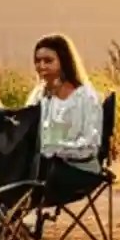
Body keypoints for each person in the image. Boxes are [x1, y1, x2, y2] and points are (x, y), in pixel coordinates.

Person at [26, 34, 104, 196]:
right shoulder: (39, 94)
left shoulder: (85, 97)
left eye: (48, 61)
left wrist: (55, 150)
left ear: (64, 61)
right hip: (44, 165)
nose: (41, 66)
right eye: (37, 61)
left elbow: (90, 145)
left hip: (79, 169)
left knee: (31, 175)